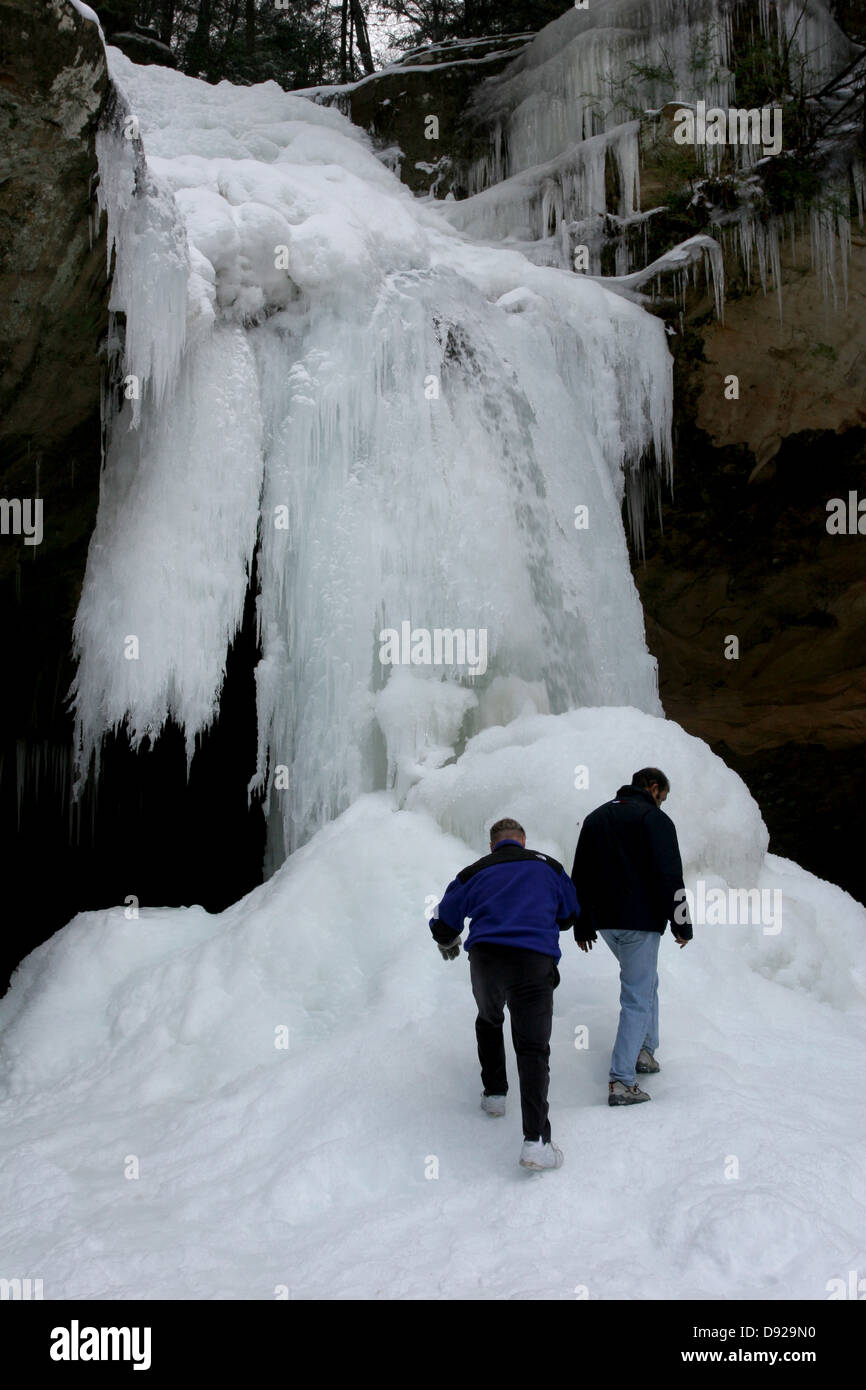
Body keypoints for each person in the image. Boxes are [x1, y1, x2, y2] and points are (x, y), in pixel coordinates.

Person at [429, 817, 581, 1171]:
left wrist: (447, 939)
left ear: (492, 844)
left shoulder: (476, 870)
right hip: (532, 960)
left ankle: (495, 1094)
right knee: (532, 1048)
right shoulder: (548, 867)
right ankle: (535, 1142)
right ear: (523, 841)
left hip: (486, 962)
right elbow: (571, 913)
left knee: (489, 1019)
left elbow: (444, 919)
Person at [570, 768, 692, 1106]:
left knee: (645, 982)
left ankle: (645, 1050)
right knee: (636, 996)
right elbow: (671, 876)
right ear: (653, 788)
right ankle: (622, 1081)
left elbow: (580, 874)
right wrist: (683, 924)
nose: (662, 804)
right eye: (662, 797)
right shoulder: (655, 820)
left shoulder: (596, 817)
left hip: (606, 923)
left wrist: (582, 923)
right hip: (641, 922)